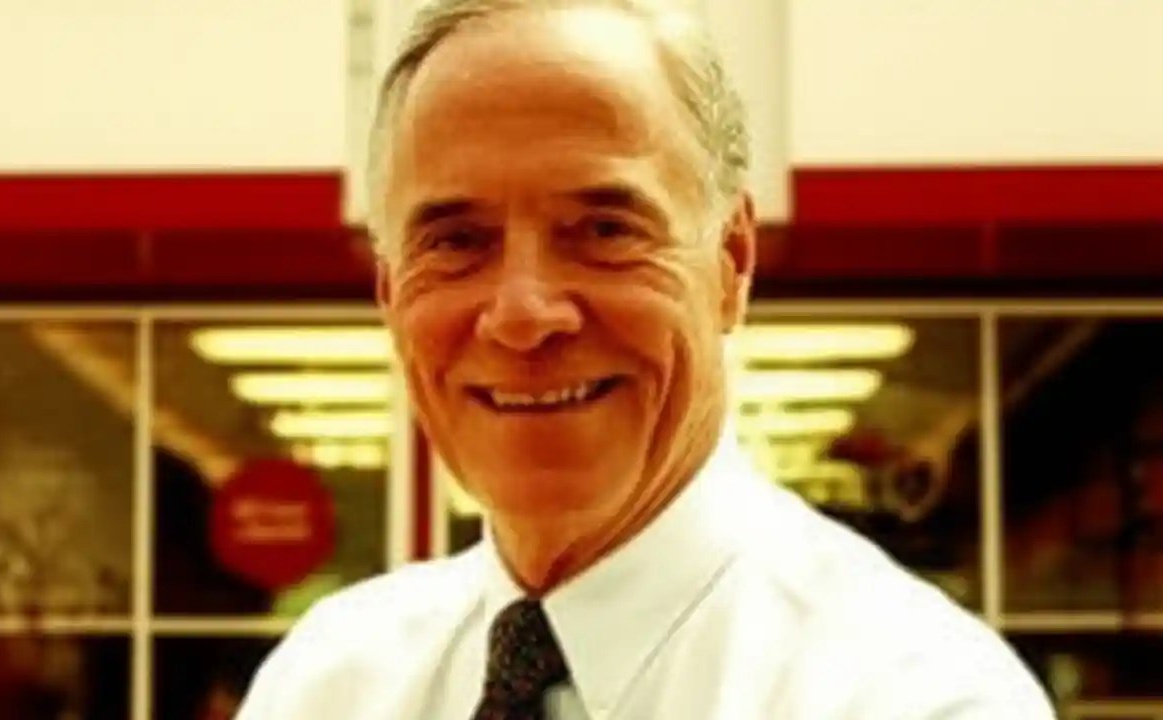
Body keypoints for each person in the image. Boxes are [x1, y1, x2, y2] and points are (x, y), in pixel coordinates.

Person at [238, 1, 1056, 717]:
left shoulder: (911, 696)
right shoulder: (325, 684)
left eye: (603, 231)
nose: (523, 313)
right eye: (456, 241)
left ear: (731, 262)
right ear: (389, 291)